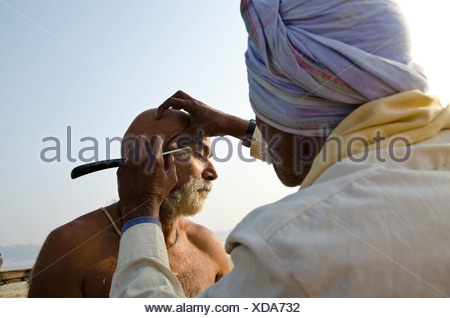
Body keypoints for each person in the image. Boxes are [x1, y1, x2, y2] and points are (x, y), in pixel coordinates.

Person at [110, 0, 450, 297]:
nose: (214, 171)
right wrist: (238, 126)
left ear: (295, 111)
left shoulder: (291, 251)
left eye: (262, 112)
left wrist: (140, 211)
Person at [28, 109, 231, 298]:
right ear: (146, 158)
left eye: (209, 157)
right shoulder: (68, 248)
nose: (213, 173)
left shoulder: (209, 245)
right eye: (198, 153)